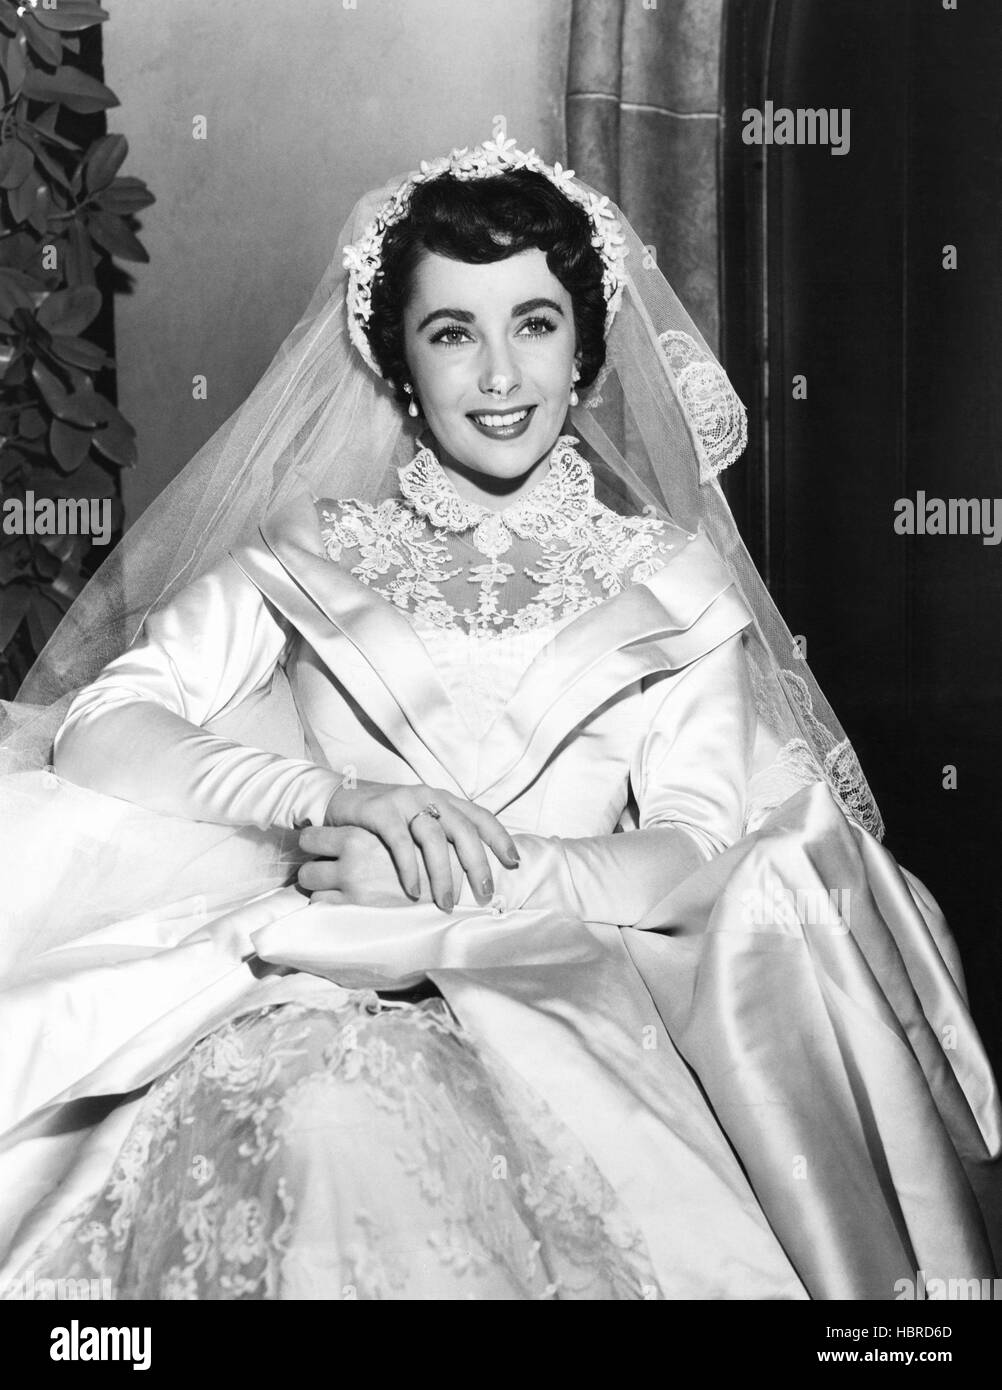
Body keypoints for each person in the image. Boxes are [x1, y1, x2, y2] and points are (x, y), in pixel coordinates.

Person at [0, 134, 998, 1301]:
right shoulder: (317, 552)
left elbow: (697, 854)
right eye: (452, 333)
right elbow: (106, 720)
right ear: (398, 366)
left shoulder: (670, 582)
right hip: (330, 975)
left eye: (533, 322)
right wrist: (334, 798)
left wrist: (460, 878)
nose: (499, 375)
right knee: (321, 1122)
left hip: (574, 991)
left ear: (583, 349)